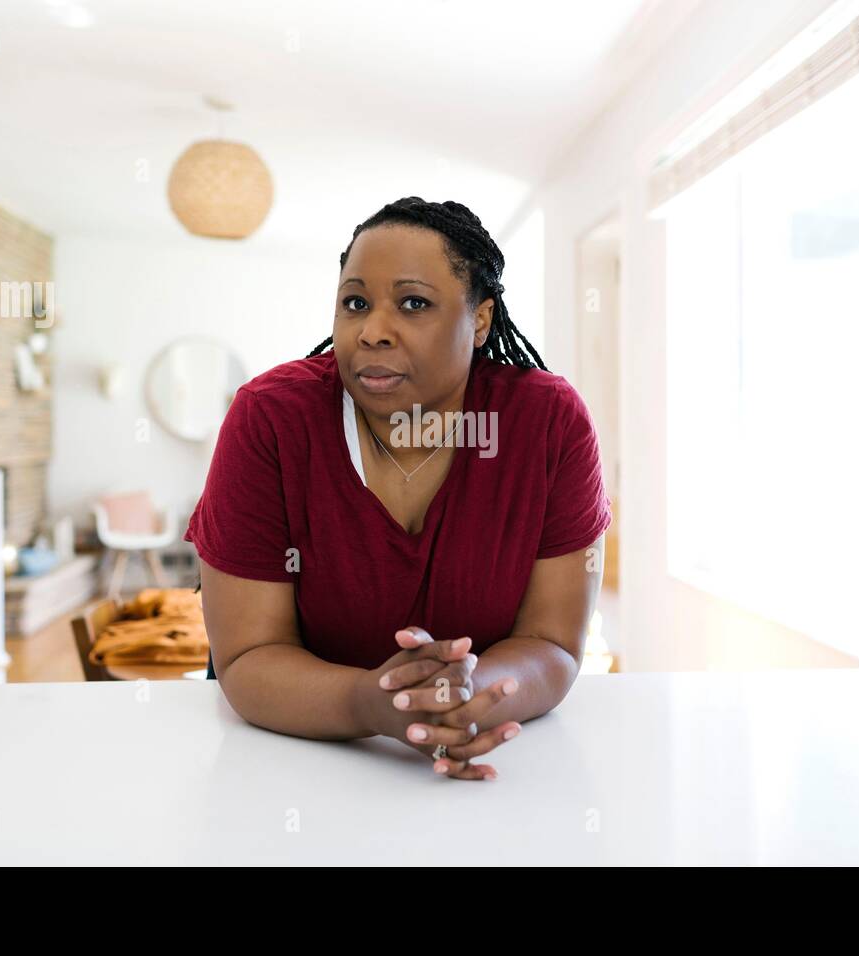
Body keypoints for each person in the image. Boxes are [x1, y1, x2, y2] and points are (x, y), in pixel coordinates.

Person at [186, 196, 611, 781]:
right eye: (355, 303)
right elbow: (247, 658)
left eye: (413, 303)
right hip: (287, 767)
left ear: (480, 319)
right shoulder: (271, 419)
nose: (372, 331)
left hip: (493, 781)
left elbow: (553, 644)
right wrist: (375, 702)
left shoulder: (547, 422)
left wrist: (466, 699)